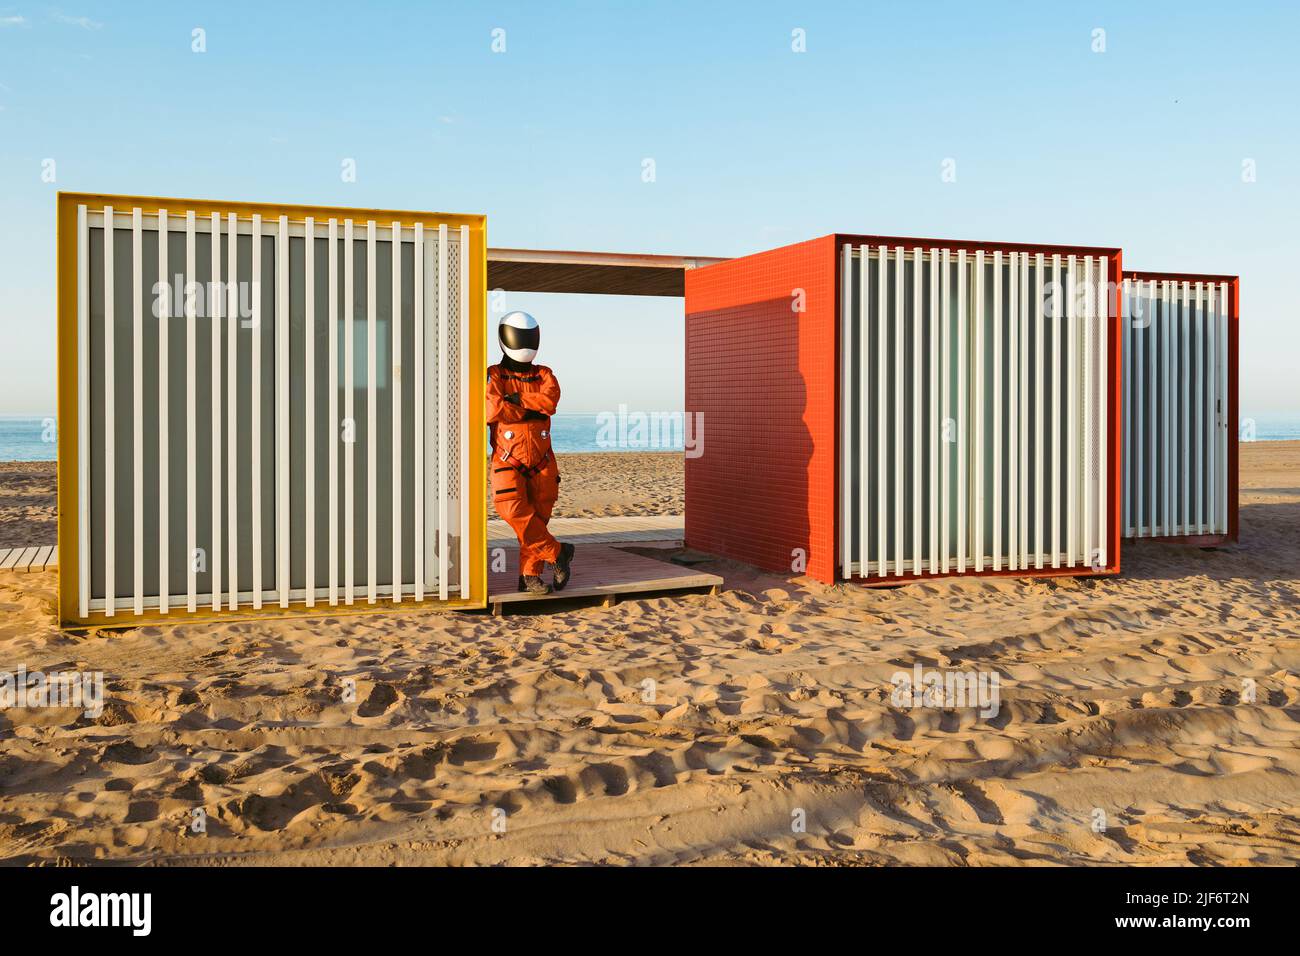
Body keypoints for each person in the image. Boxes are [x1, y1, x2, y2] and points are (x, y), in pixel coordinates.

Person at [486, 311, 575, 594]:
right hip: (507, 458)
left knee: (538, 518)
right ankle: (557, 552)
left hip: (543, 459)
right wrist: (531, 408)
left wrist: (516, 400)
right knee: (511, 509)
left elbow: (549, 402)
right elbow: (493, 409)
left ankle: (529, 577)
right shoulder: (494, 374)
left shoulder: (544, 373)